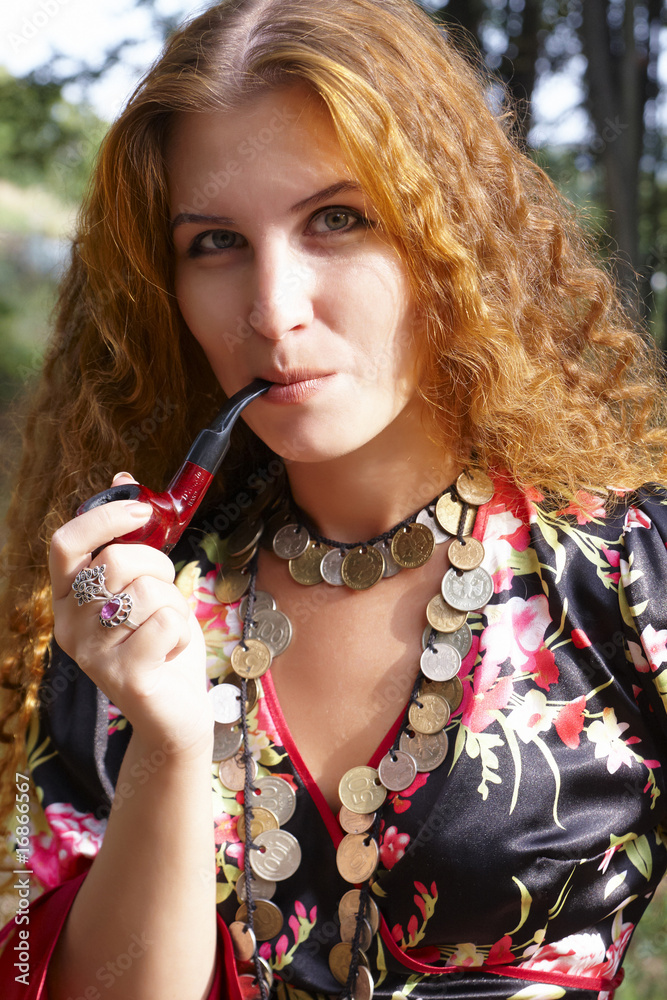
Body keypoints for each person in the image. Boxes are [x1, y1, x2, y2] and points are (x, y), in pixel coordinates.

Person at [0, 0, 666, 998]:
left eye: (337, 219)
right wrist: (170, 748)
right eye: (215, 242)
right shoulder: (123, 610)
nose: (273, 310)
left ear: (447, 237)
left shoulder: (624, 567)